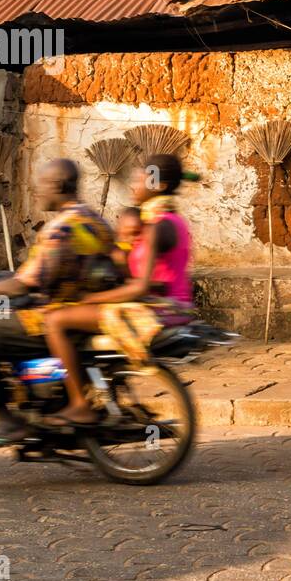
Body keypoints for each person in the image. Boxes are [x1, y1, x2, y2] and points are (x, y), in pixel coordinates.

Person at [0, 159, 119, 443]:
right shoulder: (95, 221)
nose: (37, 192)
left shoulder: (60, 230)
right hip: (89, 313)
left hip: (52, 318)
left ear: (58, 185)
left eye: (41, 186)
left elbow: (23, 283)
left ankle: (3, 419)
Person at [42, 153, 194, 425]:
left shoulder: (157, 226)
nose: (134, 185)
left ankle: (79, 404)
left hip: (155, 311)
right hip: (170, 307)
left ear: (158, 185)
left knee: (55, 320)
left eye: (140, 179)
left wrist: (90, 297)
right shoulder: (172, 221)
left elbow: (140, 287)